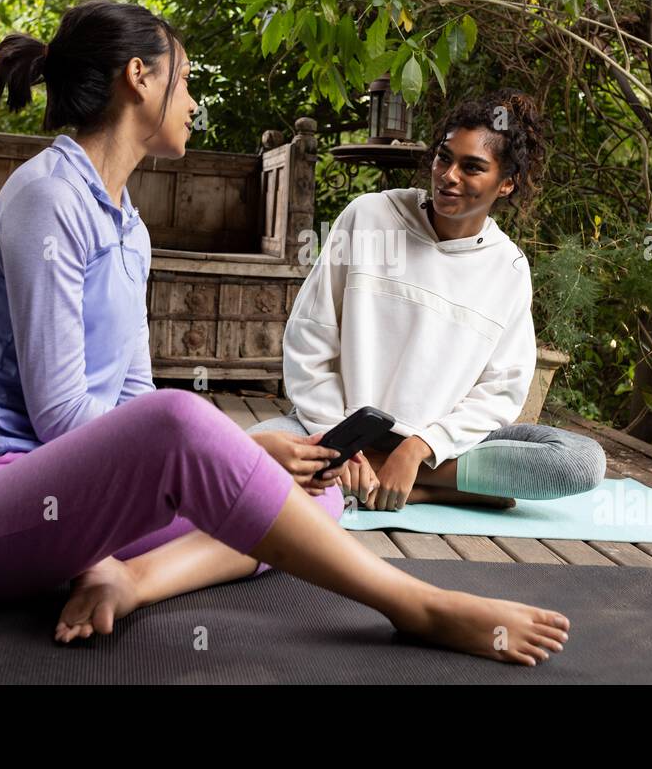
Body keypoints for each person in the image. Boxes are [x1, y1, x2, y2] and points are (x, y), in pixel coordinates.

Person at [0, 0, 569, 666]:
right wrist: (230, 452)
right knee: (184, 424)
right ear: (140, 77)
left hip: (67, 517)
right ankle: (416, 603)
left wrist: (253, 457)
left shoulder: (130, 228)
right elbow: (64, 419)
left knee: (316, 492)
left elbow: (131, 396)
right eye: (184, 80)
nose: (191, 103)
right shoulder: (49, 196)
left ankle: (133, 579)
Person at [249, 91, 607, 511]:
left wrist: (418, 448)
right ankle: (432, 487)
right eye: (444, 157)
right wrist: (339, 441)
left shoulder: (508, 268)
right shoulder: (369, 217)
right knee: (245, 452)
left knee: (581, 462)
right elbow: (311, 337)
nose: (448, 175)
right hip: (341, 430)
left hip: (442, 447)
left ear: (507, 183)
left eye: (471, 167)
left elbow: (502, 389)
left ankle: (400, 480)